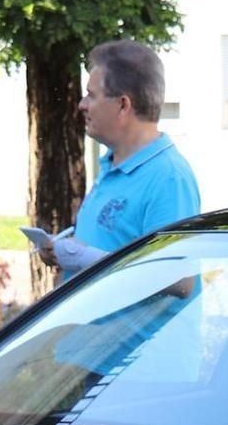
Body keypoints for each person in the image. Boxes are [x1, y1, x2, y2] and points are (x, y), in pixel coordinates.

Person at [42, 40, 202, 279]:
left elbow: (177, 279)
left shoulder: (169, 177)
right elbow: (108, 243)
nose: (82, 105)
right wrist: (62, 251)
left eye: (91, 95)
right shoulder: (111, 165)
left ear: (123, 105)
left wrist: (84, 258)